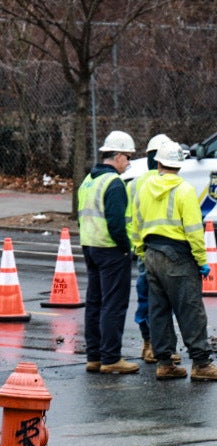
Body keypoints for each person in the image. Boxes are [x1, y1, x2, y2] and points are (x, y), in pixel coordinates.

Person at [131, 139, 217, 382]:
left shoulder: (143, 188)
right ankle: (201, 362)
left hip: (152, 253)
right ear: (180, 164)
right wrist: (202, 261)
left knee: (159, 310)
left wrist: (142, 252)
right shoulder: (184, 190)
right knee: (190, 309)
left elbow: (136, 224)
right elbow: (194, 231)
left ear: (158, 163)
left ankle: (165, 362)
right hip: (178, 255)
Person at [79, 130, 139, 375]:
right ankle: (111, 357)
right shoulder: (113, 183)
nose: (129, 162)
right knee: (113, 304)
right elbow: (116, 222)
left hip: (90, 246)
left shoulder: (88, 181)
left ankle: (94, 356)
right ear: (118, 156)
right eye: (128, 157)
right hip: (111, 249)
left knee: (95, 302)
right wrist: (126, 247)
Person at [125, 133, 174, 364]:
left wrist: (137, 248)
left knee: (146, 298)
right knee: (167, 300)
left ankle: (149, 344)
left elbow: (129, 220)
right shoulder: (175, 181)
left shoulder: (134, 184)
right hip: (170, 252)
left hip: (145, 250)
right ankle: (164, 345)